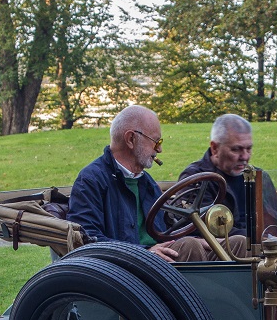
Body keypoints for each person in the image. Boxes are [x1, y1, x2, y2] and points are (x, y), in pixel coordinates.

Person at [67, 105, 247, 263]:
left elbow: (167, 230)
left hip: (158, 262)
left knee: (238, 243)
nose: (159, 149)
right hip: (126, 270)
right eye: (156, 141)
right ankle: (201, 303)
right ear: (131, 139)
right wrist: (144, 252)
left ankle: (241, 302)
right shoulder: (91, 180)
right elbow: (87, 240)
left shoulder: (146, 182)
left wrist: (202, 239)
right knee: (189, 247)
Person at [179, 114, 277, 240]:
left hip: (265, 251)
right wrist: (267, 239)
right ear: (215, 148)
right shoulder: (196, 179)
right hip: (228, 259)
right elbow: (205, 230)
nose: (245, 157)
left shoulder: (258, 177)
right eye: (236, 149)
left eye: (249, 149)